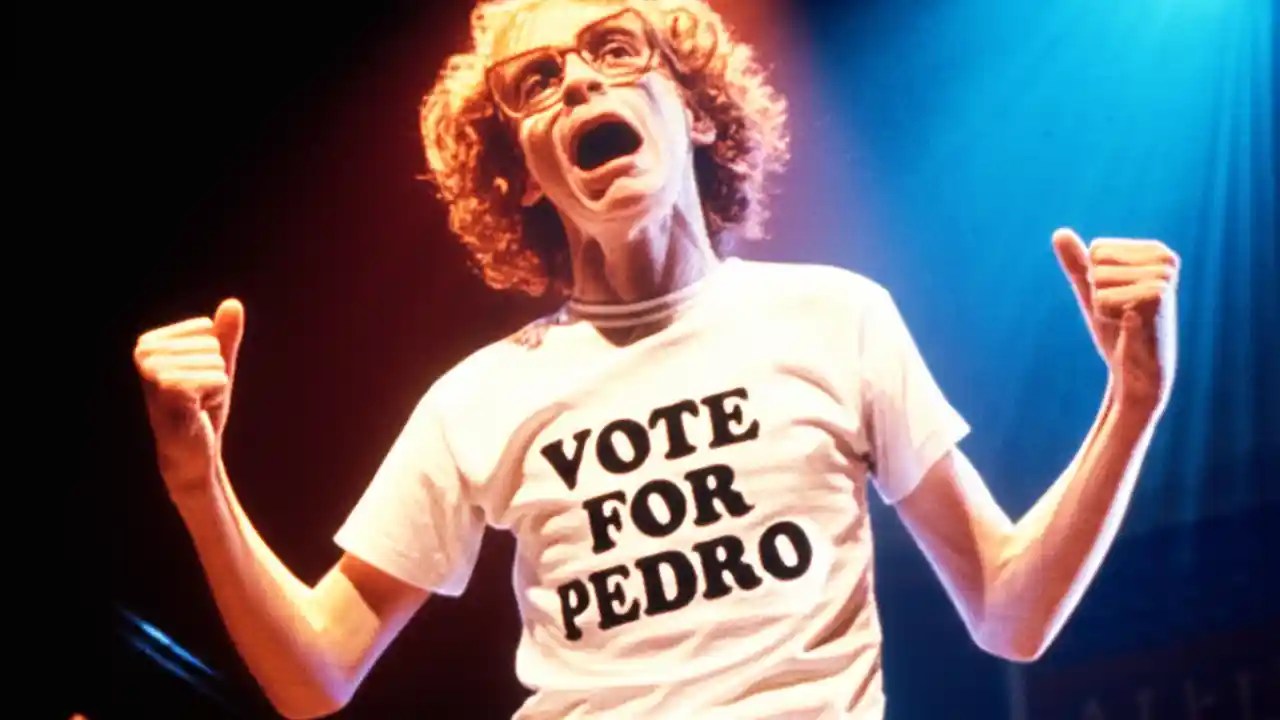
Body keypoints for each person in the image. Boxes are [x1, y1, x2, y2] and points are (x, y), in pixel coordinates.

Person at [130, 0, 1180, 717]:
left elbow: (1008, 611)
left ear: (695, 111)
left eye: (615, 47)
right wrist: (198, 488)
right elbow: (316, 673)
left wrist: (1130, 402)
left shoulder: (835, 318)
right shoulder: (477, 398)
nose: (577, 80)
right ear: (522, 175)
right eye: (536, 80)